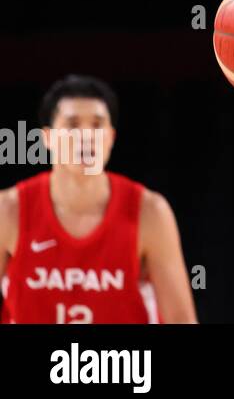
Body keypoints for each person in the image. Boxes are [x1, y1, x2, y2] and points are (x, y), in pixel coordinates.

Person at [0, 75, 198, 324]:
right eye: (72, 125)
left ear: (111, 138)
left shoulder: (150, 212)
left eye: (96, 125)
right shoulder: (8, 211)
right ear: (47, 138)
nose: (86, 136)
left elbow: (181, 320)